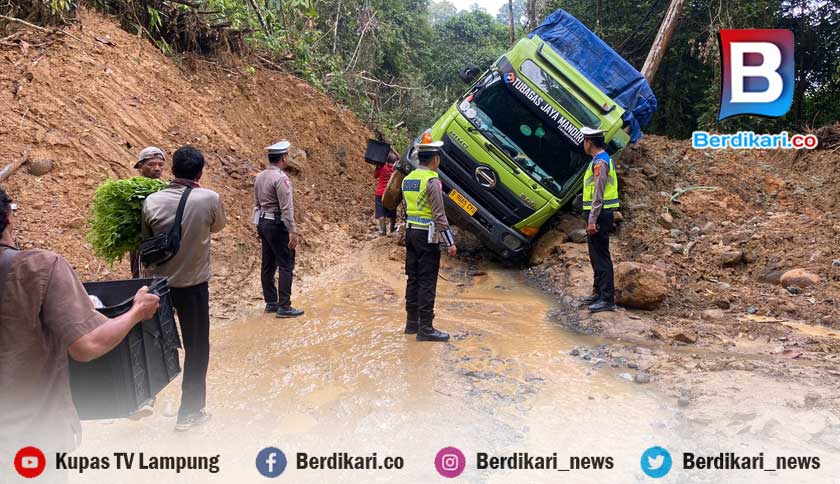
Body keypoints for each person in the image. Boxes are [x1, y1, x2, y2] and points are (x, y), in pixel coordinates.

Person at [0, 186, 159, 480]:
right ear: (8, 217)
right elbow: (86, 346)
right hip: (30, 439)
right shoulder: (39, 267)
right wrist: (135, 312)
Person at [141, 146, 226, 431]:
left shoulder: (151, 201)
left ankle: (144, 398)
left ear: (172, 170)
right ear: (200, 172)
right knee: (197, 348)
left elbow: (147, 238)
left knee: (155, 344)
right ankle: (189, 412)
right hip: (193, 287)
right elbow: (217, 227)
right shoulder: (209, 198)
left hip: (159, 288)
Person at [401, 141, 457, 342]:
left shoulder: (408, 179)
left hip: (411, 233)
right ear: (436, 159)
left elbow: (405, 209)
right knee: (427, 281)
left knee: (413, 278)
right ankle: (426, 328)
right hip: (427, 236)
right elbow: (439, 215)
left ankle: (411, 324)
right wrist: (450, 241)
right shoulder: (432, 181)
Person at [254, 140, 304, 318]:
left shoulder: (260, 176)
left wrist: (257, 227)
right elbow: (286, 208)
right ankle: (284, 305)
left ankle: (271, 302)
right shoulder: (281, 179)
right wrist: (292, 230)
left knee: (267, 264)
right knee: (285, 264)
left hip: (263, 222)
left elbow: (257, 205)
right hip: (277, 224)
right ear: (283, 158)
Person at [580, 127, 619, 313]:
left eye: (584, 140)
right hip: (596, 214)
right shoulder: (597, 160)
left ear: (589, 142)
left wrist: (592, 219)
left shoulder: (600, 163)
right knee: (595, 256)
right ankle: (598, 293)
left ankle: (607, 298)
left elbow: (598, 194)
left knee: (602, 257)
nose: (583, 144)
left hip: (600, 215)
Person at [130, 147, 166, 278]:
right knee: (141, 281)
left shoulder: (166, 189)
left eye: (160, 165)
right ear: (140, 166)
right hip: (141, 246)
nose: (157, 168)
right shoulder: (131, 190)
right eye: (151, 164)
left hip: (163, 244)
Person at [373, 150, 398, 236]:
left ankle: (383, 231)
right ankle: (392, 229)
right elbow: (400, 159)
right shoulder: (396, 169)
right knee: (392, 211)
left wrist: (378, 166)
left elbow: (375, 176)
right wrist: (393, 150)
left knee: (381, 212)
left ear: (386, 160)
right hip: (391, 194)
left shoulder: (382, 167)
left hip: (380, 193)